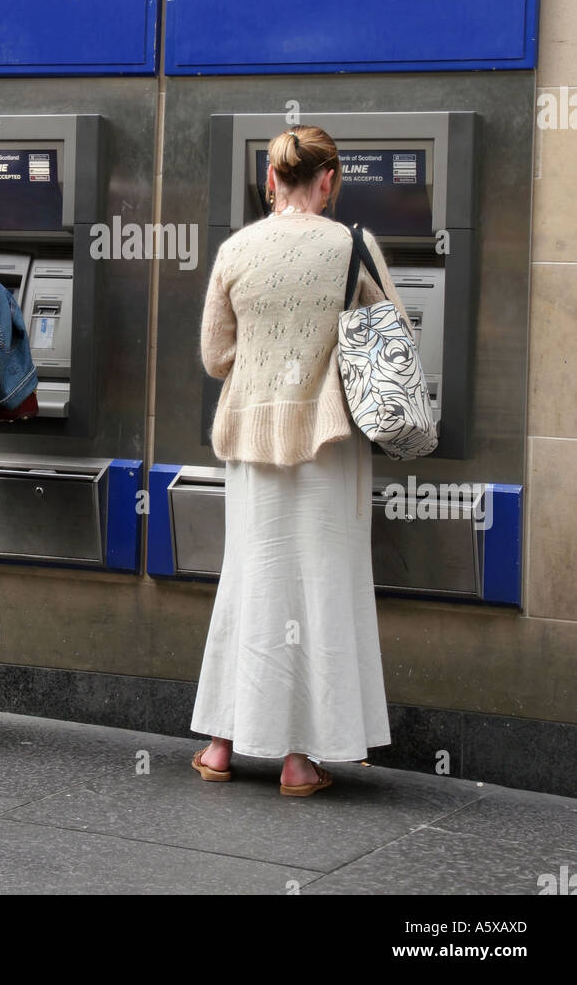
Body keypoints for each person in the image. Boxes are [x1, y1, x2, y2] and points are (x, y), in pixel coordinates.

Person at [191, 125, 409, 795]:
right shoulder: (352, 246)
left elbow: (215, 357)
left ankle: (221, 745)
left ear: (269, 181)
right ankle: (299, 759)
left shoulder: (236, 250)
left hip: (252, 442)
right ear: (329, 181)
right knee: (319, 592)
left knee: (251, 585)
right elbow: (392, 335)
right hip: (327, 444)